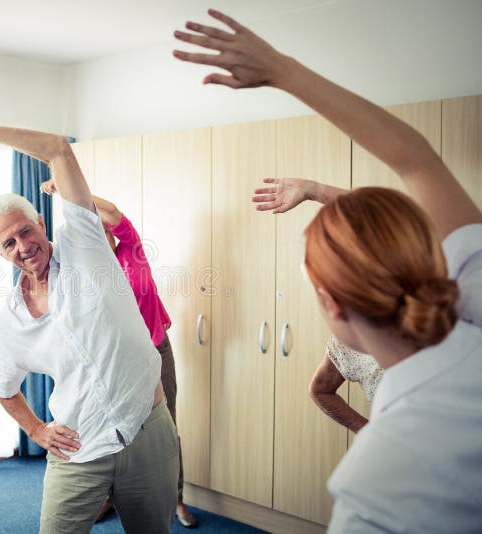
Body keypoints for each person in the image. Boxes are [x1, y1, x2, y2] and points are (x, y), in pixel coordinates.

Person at [175, 9, 482, 533]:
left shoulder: (379, 481)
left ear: (333, 306)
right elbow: (417, 162)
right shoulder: (473, 297)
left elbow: (415, 172)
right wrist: (283, 71)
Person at [0, 123, 179, 533]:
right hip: (78, 449)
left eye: (25, 230)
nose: (22, 246)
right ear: (1, 254)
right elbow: (3, 387)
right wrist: (37, 429)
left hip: (147, 429)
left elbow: (59, 150)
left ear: (42, 225)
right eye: (8, 243)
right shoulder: (10, 321)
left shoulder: (85, 247)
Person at [41, 179, 198, 527]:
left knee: (164, 425)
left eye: (102, 227)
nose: (101, 233)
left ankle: (176, 499)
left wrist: (68, 193)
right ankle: (113, 494)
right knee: (113, 424)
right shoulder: (84, 272)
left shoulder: (131, 251)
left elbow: (113, 213)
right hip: (115, 360)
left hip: (156, 347)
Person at [252, 177, 384, 432]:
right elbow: (320, 391)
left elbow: (380, 215)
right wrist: (368, 431)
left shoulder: (431, 309)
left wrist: (315, 191)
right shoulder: (347, 342)